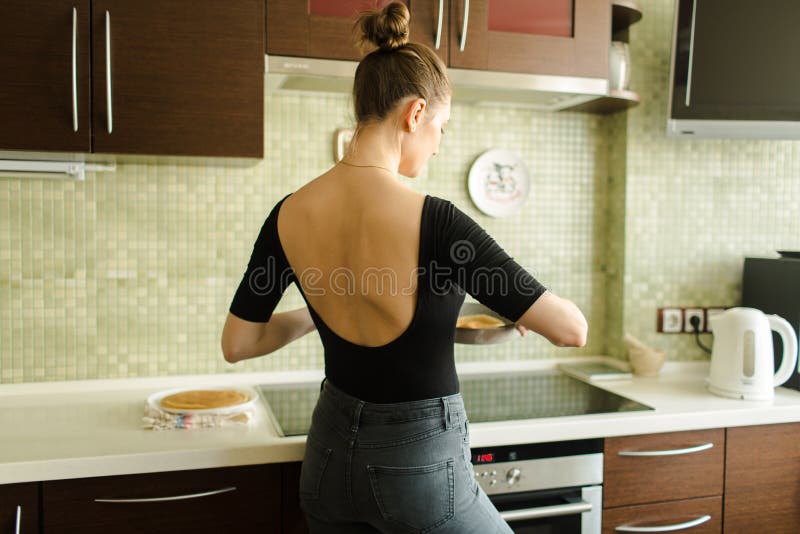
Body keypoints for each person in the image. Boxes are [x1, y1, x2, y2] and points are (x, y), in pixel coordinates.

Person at [221, 3, 588, 532]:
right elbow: (572, 330)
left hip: (327, 463)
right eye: (442, 127)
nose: (437, 145)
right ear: (416, 114)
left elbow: (239, 343)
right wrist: (527, 306)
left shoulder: (287, 214)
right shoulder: (438, 223)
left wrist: (320, 308)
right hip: (418, 467)